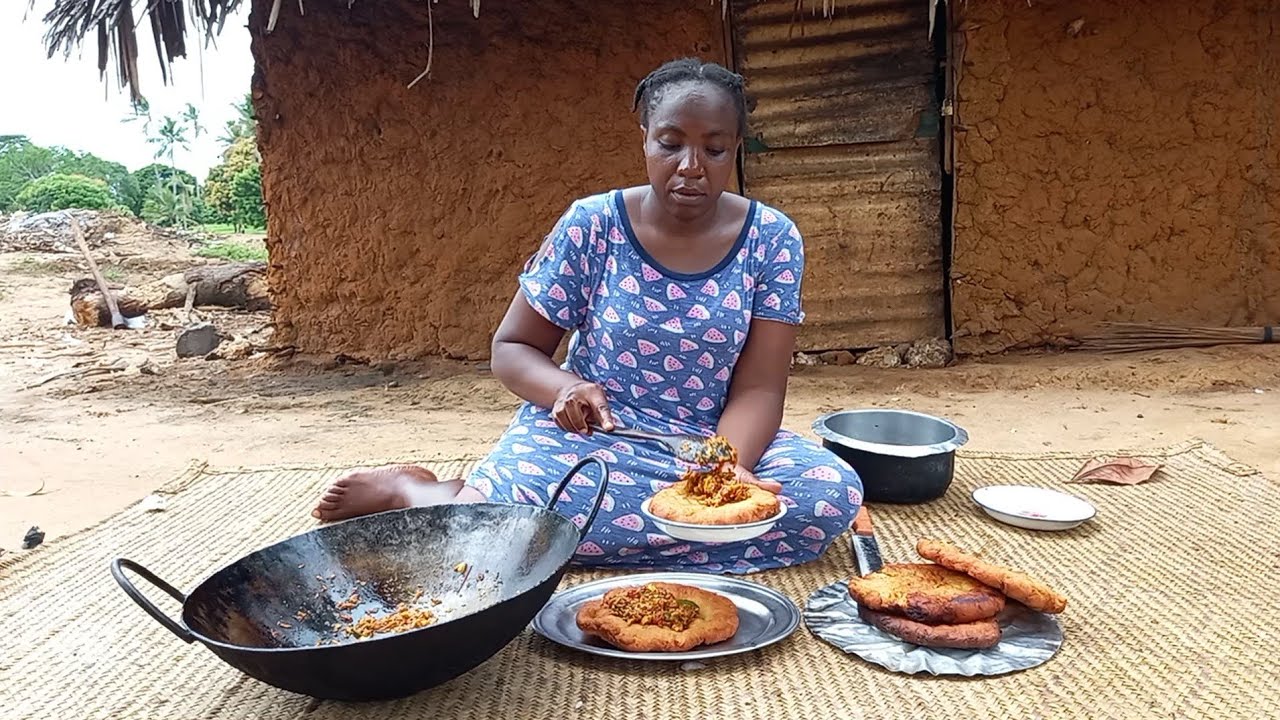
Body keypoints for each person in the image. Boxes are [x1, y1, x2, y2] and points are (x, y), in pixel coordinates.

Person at [312, 58, 863, 574]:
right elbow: (513, 348)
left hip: (709, 438)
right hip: (589, 435)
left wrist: (726, 466)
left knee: (826, 494)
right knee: (497, 522)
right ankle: (427, 494)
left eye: (715, 150)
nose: (691, 167)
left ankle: (546, 530)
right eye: (670, 144)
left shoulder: (771, 239)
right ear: (644, 138)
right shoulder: (593, 225)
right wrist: (563, 389)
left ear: (737, 147)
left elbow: (762, 389)